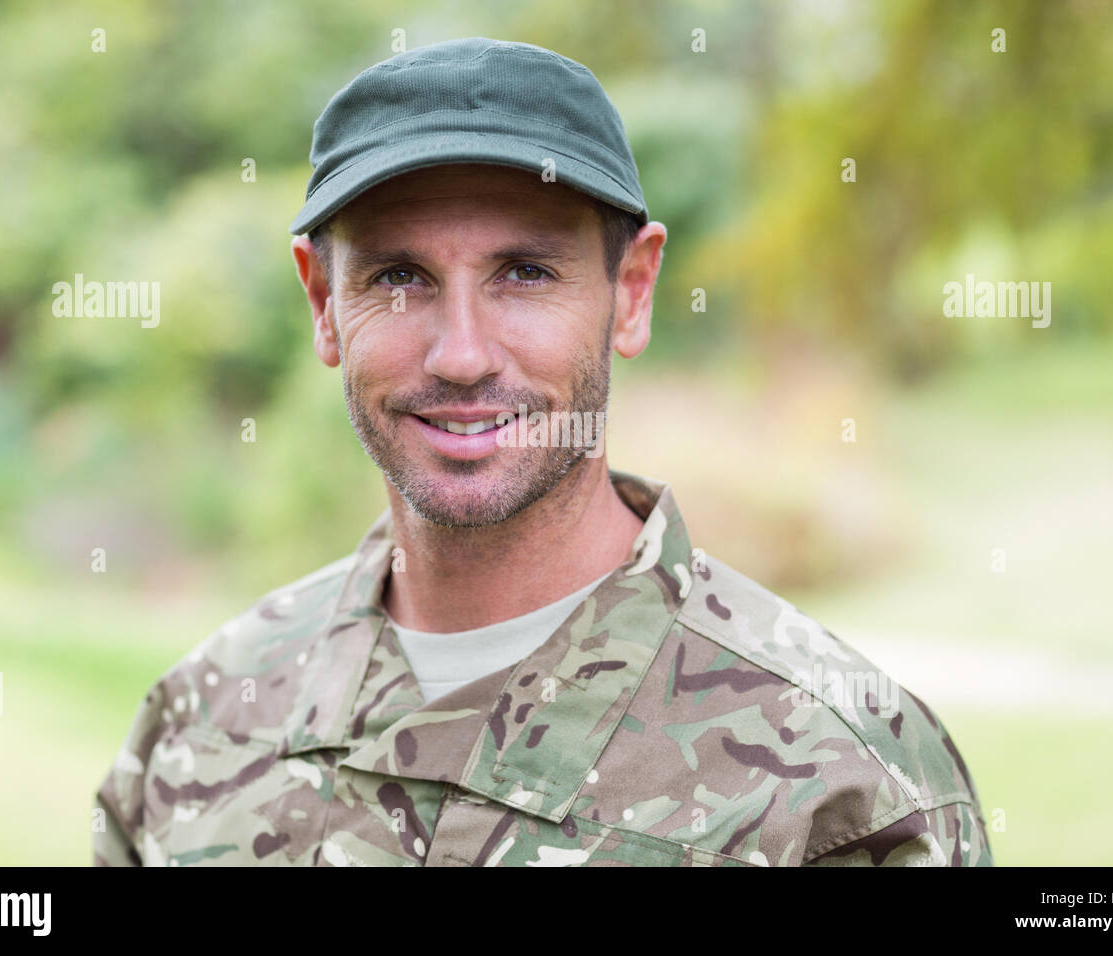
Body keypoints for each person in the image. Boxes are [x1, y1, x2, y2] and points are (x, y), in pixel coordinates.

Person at [92, 36, 993, 867]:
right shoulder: (196, 728)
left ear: (631, 292)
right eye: (398, 277)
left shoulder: (843, 785)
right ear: (324, 302)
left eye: (525, 273)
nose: (463, 354)